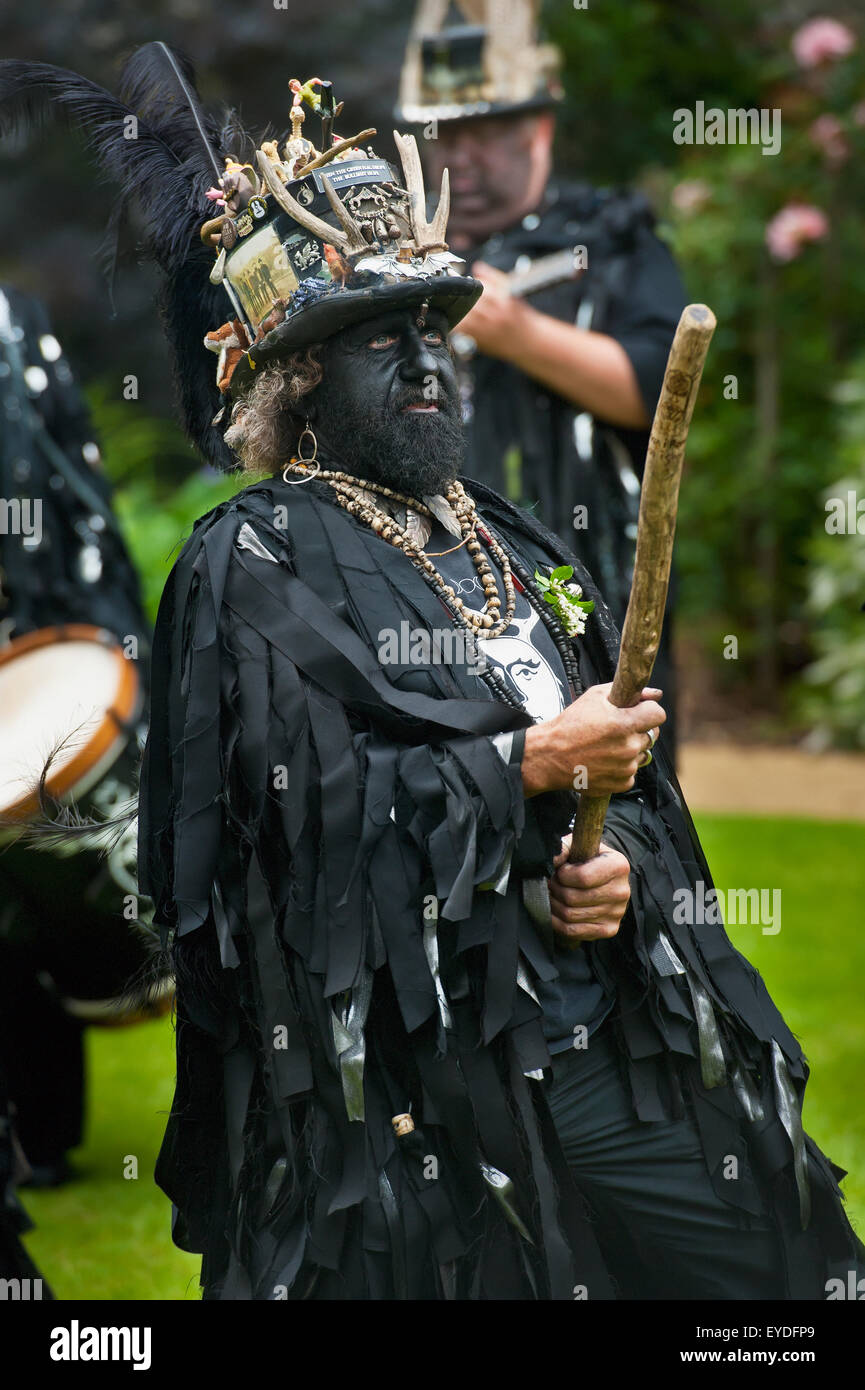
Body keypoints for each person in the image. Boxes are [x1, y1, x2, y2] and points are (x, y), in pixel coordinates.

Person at [3, 45, 862, 1302]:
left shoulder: (505, 532)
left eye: (430, 328)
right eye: (374, 341)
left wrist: (607, 863)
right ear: (296, 384)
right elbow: (297, 830)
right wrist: (533, 762)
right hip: (421, 1100)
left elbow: (615, 792)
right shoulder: (253, 560)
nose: (423, 361)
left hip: (613, 1035)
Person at [397, 0, 687, 758]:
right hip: (419, 602)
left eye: (491, 132)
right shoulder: (388, 260)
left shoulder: (613, 239)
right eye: (450, 135)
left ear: (541, 129)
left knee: (615, 825)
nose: (470, 156)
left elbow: (658, 392)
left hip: (585, 589)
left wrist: (517, 334)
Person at [0, 284, 151, 1186]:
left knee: (27, 880)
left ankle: (39, 1134)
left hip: (46, 619)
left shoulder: (14, 316)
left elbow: (65, 485)